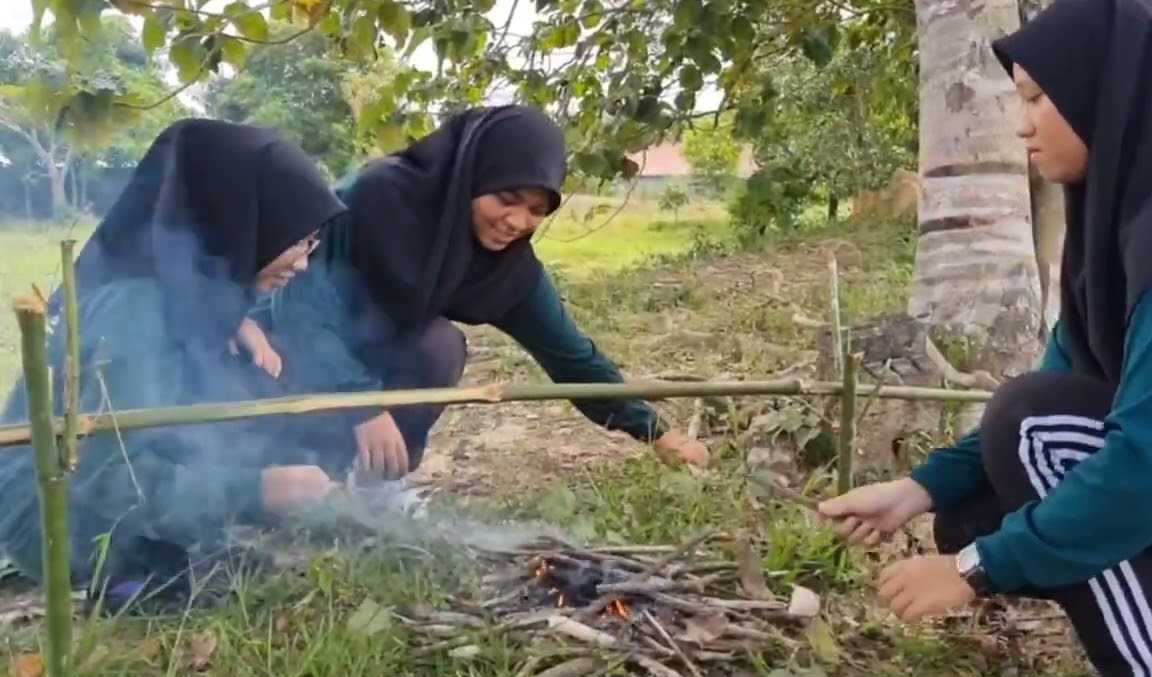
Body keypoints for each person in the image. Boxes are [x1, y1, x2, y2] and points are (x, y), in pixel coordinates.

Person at [815, 0, 1152, 677]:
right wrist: (919, 489)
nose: (1022, 122)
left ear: (1113, 94)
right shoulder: (1127, 224)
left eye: (1038, 97)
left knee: (1029, 436)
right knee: (973, 507)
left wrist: (976, 571)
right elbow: (1068, 375)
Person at [0, 118, 346, 610]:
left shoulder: (195, 289)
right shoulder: (130, 312)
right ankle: (124, 582)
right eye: (294, 240)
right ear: (238, 220)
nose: (303, 262)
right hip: (51, 516)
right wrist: (256, 490)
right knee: (194, 584)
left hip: (113, 489)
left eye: (311, 243)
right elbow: (108, 474)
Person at [260, 104, 709, 479]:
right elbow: (297, 310)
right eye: (506, 199)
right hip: (272, 349)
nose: (517, 222)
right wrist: (360, 406)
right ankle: (279, 472)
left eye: (537, 210)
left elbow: (571, 357)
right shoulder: (376, 197)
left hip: (370, 359)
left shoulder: (507, 269)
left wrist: (657, 433)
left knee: (438, 346)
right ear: (470, 178)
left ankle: (374, 487)